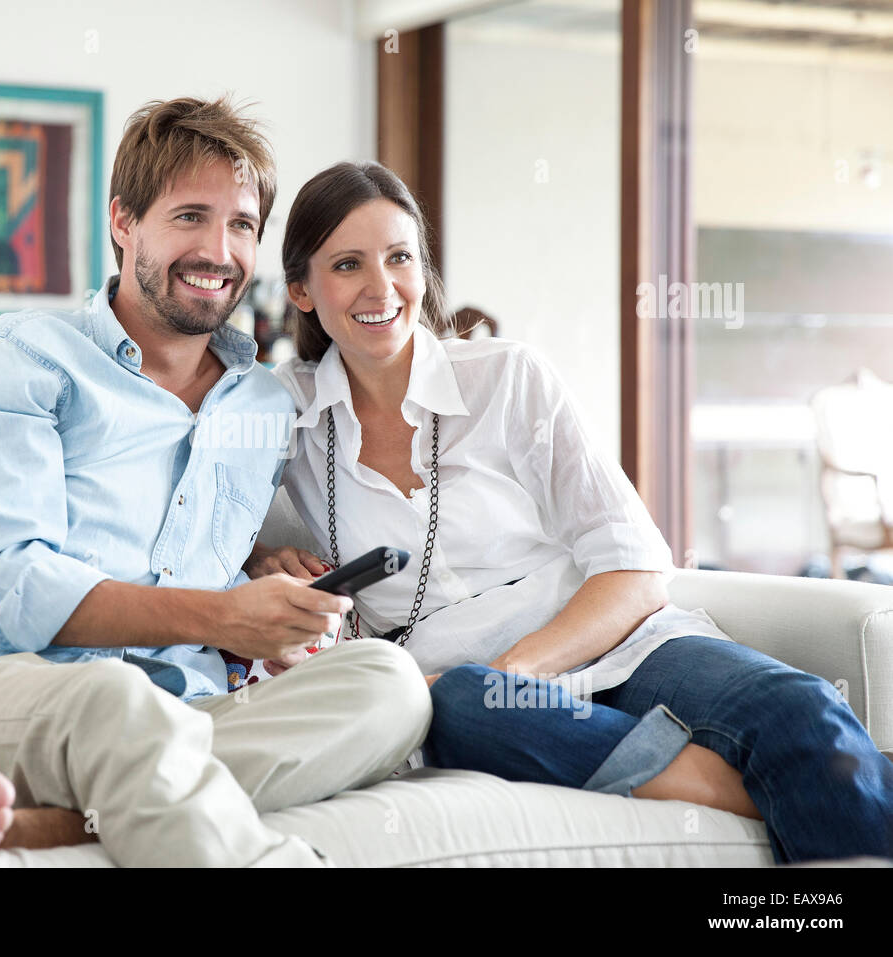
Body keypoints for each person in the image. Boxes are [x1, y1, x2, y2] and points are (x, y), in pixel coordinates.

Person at [247, 159, 893, 864]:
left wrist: (520, 668)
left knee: (804, 715)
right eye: (347, 264)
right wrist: (260, 558)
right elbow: (200, 523)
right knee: (458, 700)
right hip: (467, 697)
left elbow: (638, 569)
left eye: (400, 257)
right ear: (302, 291)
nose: (381, 287)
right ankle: (747, 785)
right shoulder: (286, 414)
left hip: (622, 646)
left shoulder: (506, 377)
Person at [0, 101, 432, 867]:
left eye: (240, 224)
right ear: (123, 223)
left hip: (182, 708)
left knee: (389, 685)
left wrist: (255, 565)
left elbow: (172, 534)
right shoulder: (19, 362)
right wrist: (224, 614)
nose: (218, 249)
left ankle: (62, 825)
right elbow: (2, 587)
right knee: (115, 698)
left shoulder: (266, 404)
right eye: (190, 217)